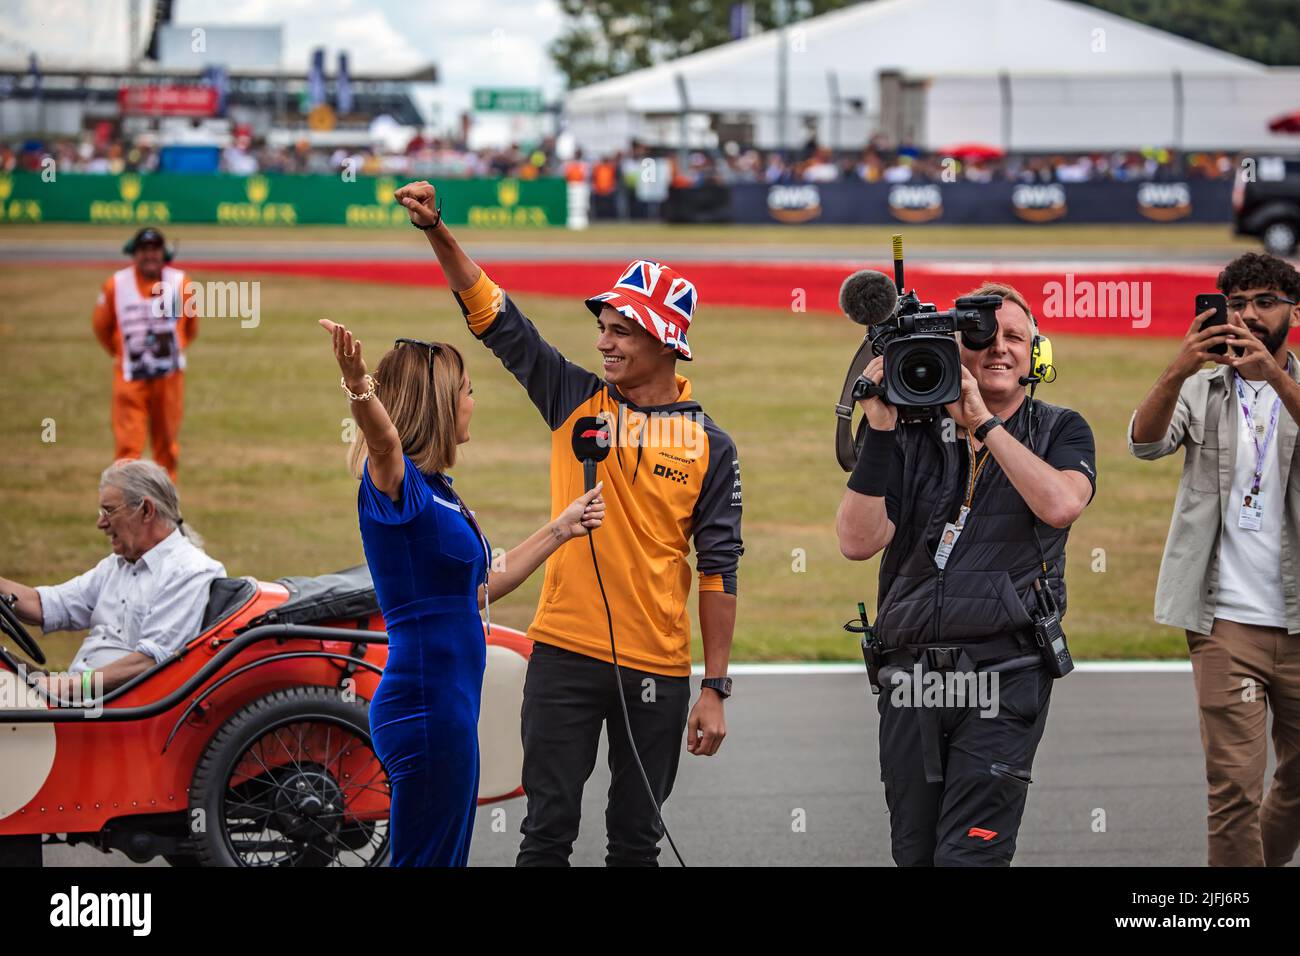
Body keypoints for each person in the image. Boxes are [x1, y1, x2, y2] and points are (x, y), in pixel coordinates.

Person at [393, 179, 744, 867]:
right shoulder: (573, 396)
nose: (603, 342)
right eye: (602, 328)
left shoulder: (713, 446)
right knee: (546, 834)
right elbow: (496, 320)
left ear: (665, 341)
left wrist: (715, 687)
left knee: (635, 844)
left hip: (660, 671)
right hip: (564, 654)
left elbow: (719, 568)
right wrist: (438, 230)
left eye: (620, 330)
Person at [320, 319, 606, 867]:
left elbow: (478, 590)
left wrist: (561, 528)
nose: (473, 401)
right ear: (439, 404)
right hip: (425, 706)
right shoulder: (394, 483)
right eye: (466, 390)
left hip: (449, 706)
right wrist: (358, 383)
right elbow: (382, 440)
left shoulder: (437, 491)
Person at [836, 283, 1096, 866]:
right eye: (981, 337)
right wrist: (879, 428)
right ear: (955, 352)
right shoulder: (908, 432)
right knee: (916, 856)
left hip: (1005, 672)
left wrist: (981, 421)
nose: (998, 349)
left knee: (969, 859)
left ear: (1037, 355)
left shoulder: (1061, 430)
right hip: (910, 676)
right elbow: (857, 541)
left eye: (1015, 338)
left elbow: (1059, 504)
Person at [1129, 252, 1300, 867]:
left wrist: (1277, 379)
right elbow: (1144, 443)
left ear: (1293, 310)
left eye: (1264, 302)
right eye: (1236, 303)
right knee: (1232, 790)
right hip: (1224, 621)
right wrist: (1178, 368)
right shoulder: (1200, 386)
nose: (1248, 315)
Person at [0, 459, 224, 697]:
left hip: (111, 708)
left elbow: (151, 662)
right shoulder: (118, 565)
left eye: (109, 510)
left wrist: (67, 686)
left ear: (146, 510)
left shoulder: (189, 571)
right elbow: (50, 605)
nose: (101, 523)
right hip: (77, 697)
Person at [92, 227, 201, 481]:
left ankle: (166, 508)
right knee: (128, 450)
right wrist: (122, 352)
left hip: (169, 378)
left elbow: (191, 326)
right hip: (131, 378)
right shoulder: (115, 285)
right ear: (134, 253)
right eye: (144, 250)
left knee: (167, 446)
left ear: (164, 253)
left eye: (155, 250)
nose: (150, 255)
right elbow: (101, 327)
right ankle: (126, 507)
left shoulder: (181, 283)